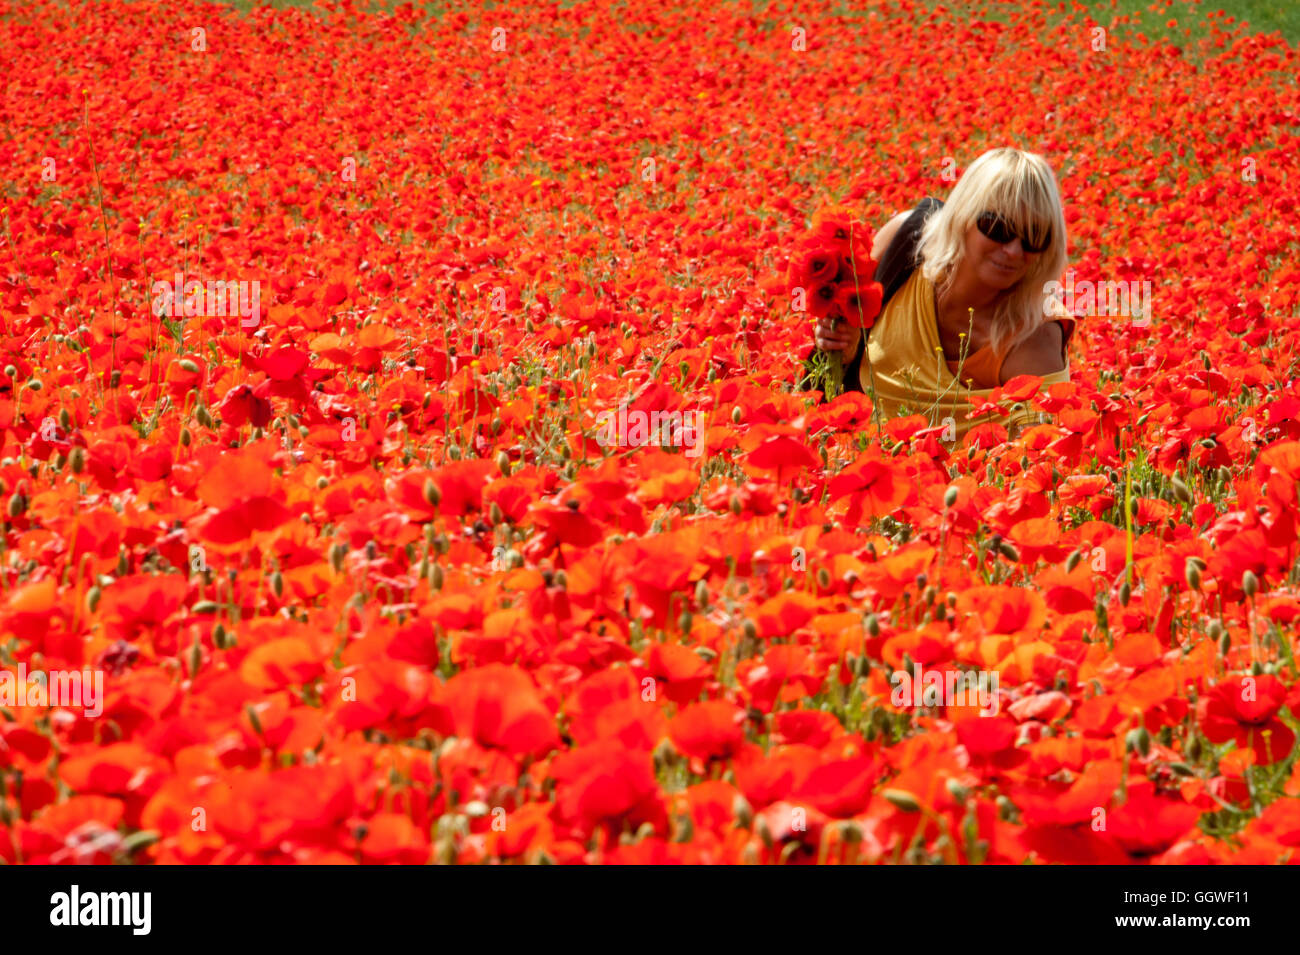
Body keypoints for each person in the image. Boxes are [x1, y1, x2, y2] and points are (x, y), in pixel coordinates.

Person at [812, 147, 1076, 443]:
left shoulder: (1032, 338)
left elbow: (1042, 457)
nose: (1014, 251)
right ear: (963, 215)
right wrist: (842, 346)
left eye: (1033, 237)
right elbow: (841, 360)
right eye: (998, 227)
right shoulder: (904, 244)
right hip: (855, 467)